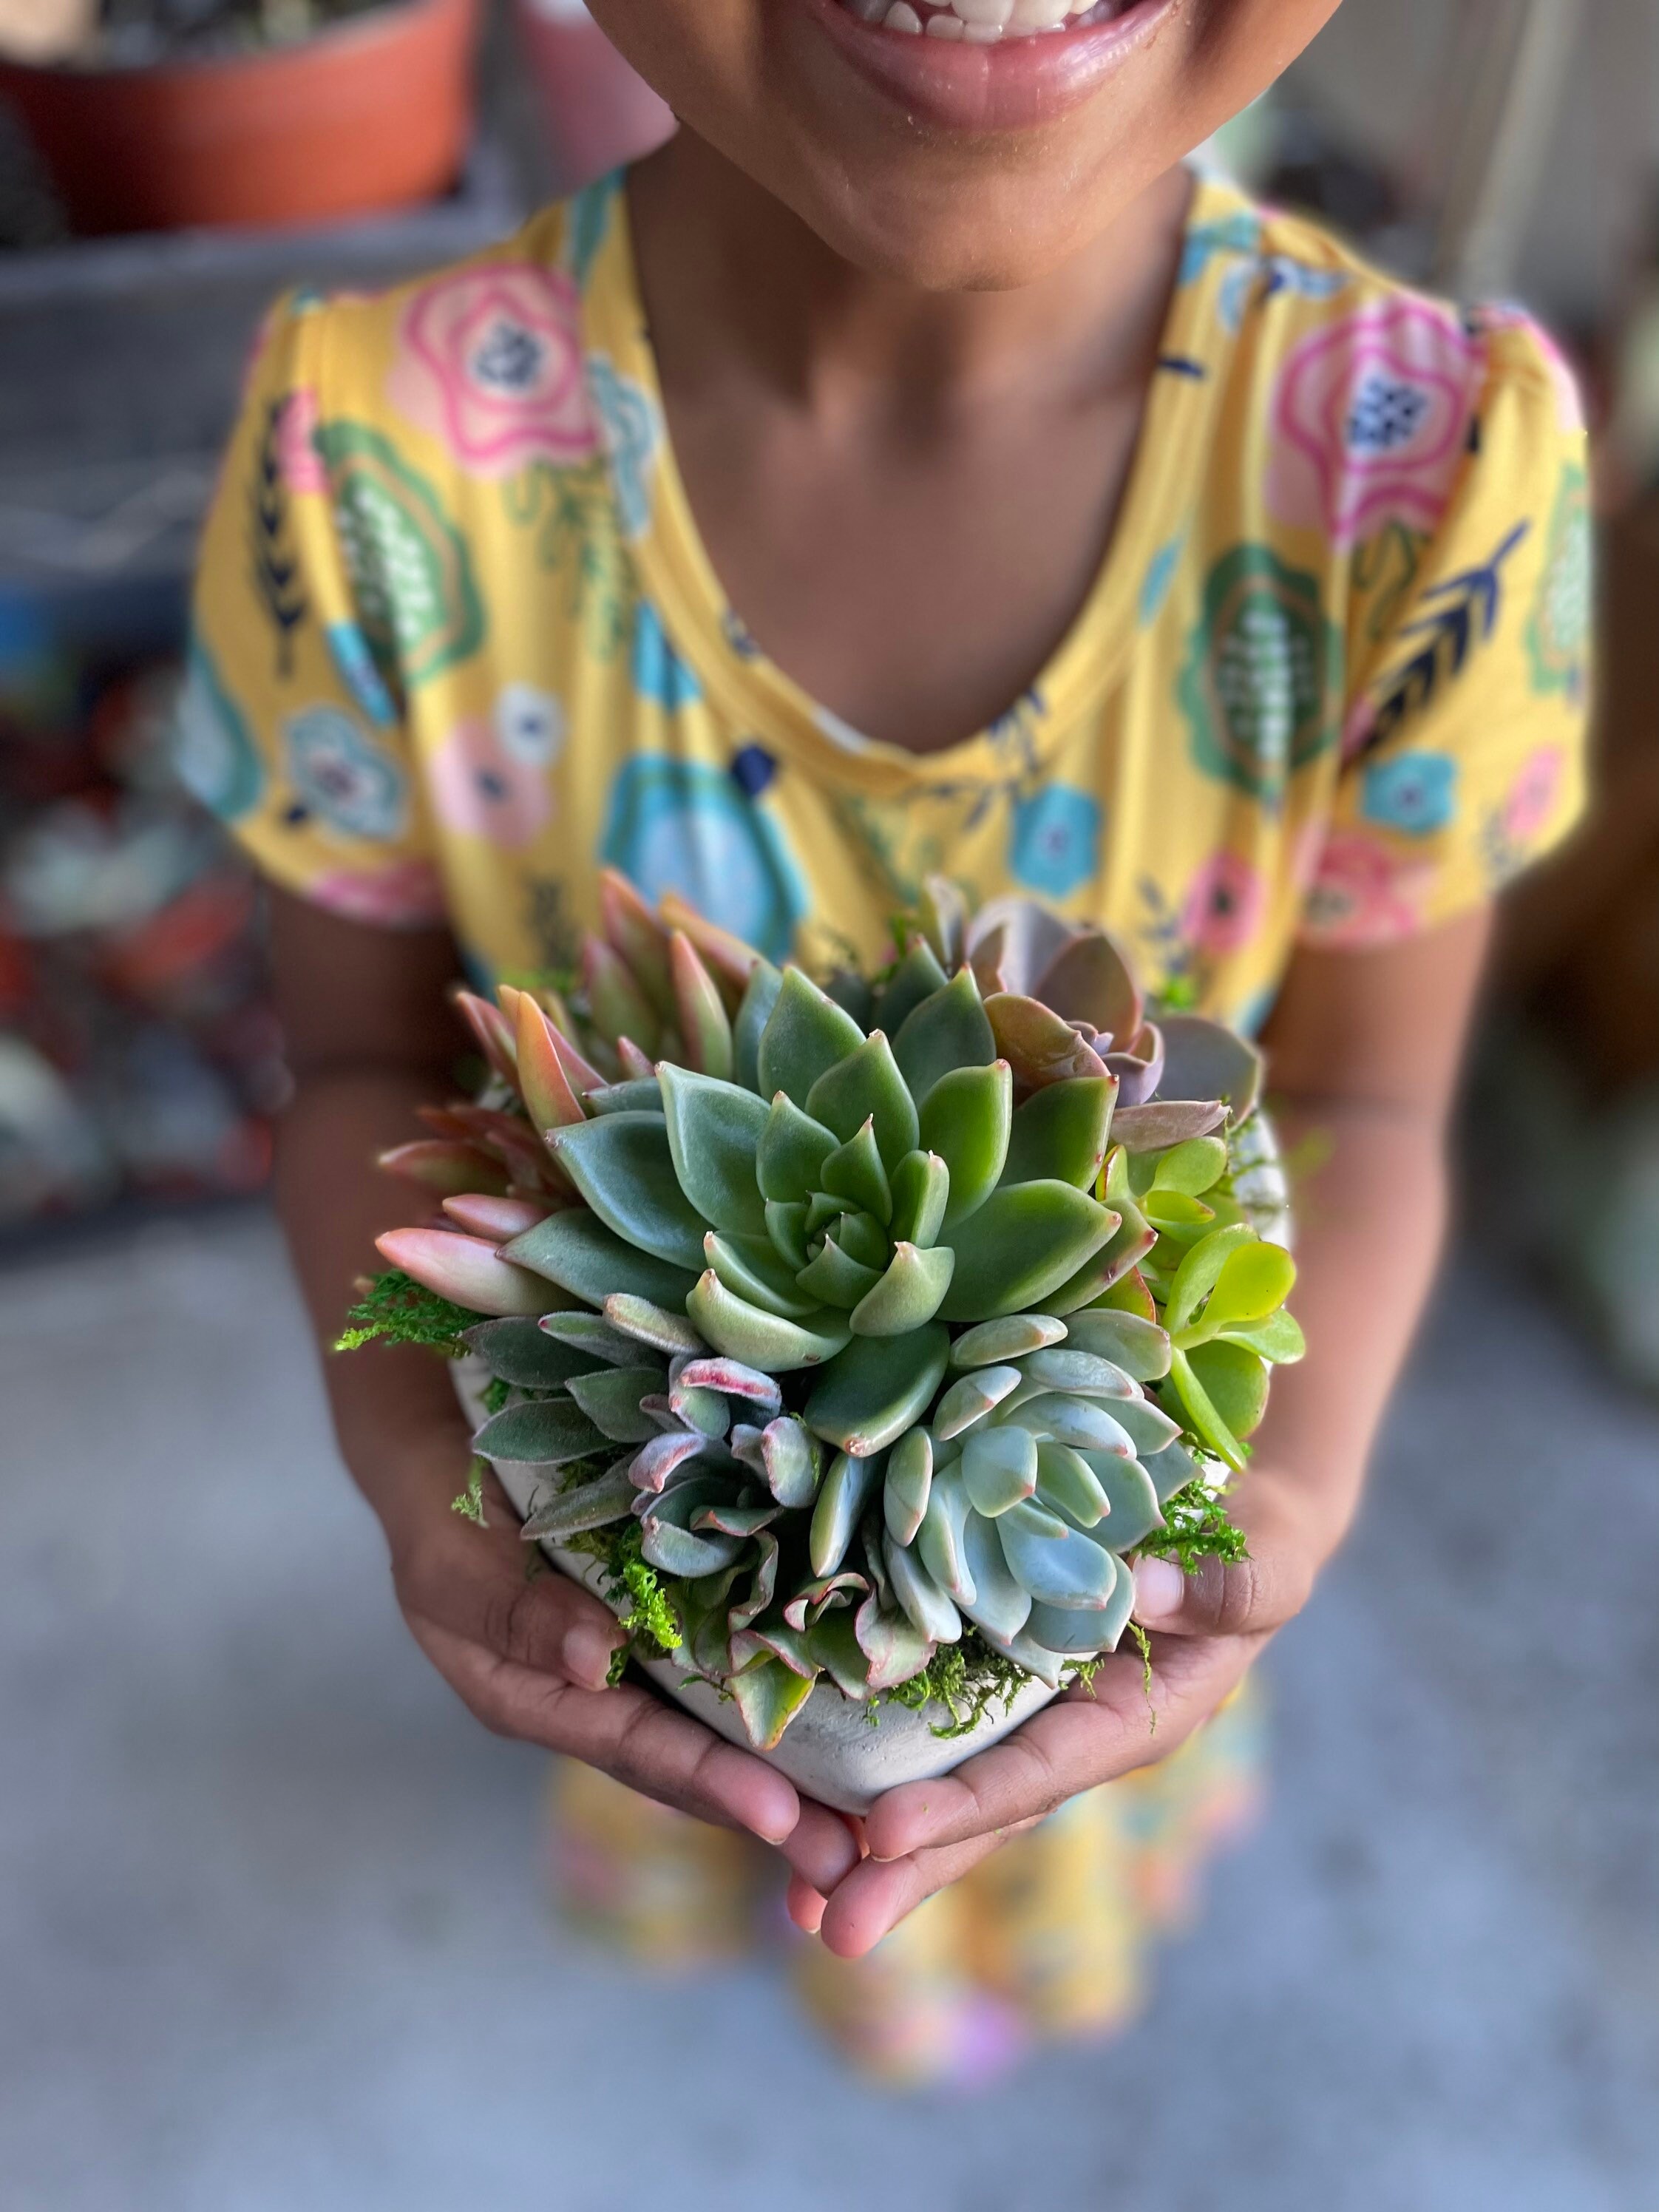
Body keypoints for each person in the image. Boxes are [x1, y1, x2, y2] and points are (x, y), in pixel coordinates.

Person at [185, 0, 1592, 2086]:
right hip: (645, 1545)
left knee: (994, 1897)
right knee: (713, 1803)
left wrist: (1267, 1514)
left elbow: (1366, 1096)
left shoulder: (1427, 471)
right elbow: (369, 1072)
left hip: (1086, 1557)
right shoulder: (375, 456)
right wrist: (424, 1479)